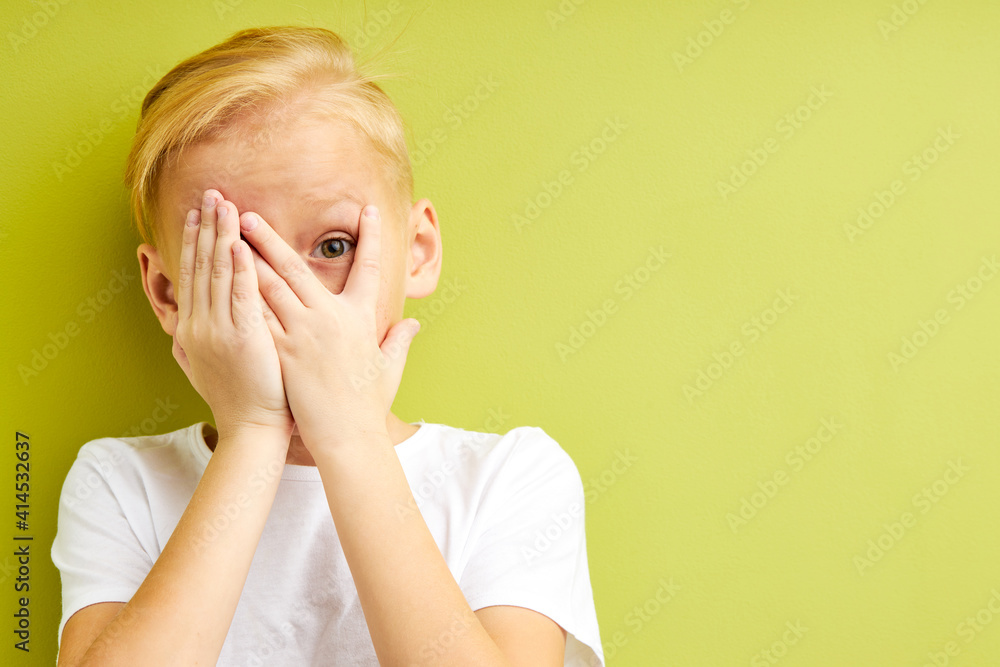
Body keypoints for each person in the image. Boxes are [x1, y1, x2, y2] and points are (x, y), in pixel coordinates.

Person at [50, 25, 604, 666]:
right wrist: (252, 431)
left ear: (417, 252)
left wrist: (349, 434)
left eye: (334, 247)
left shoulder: (511, 478)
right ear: (169, 295)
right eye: (238, 259)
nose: (288, 297)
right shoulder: (121, 483)